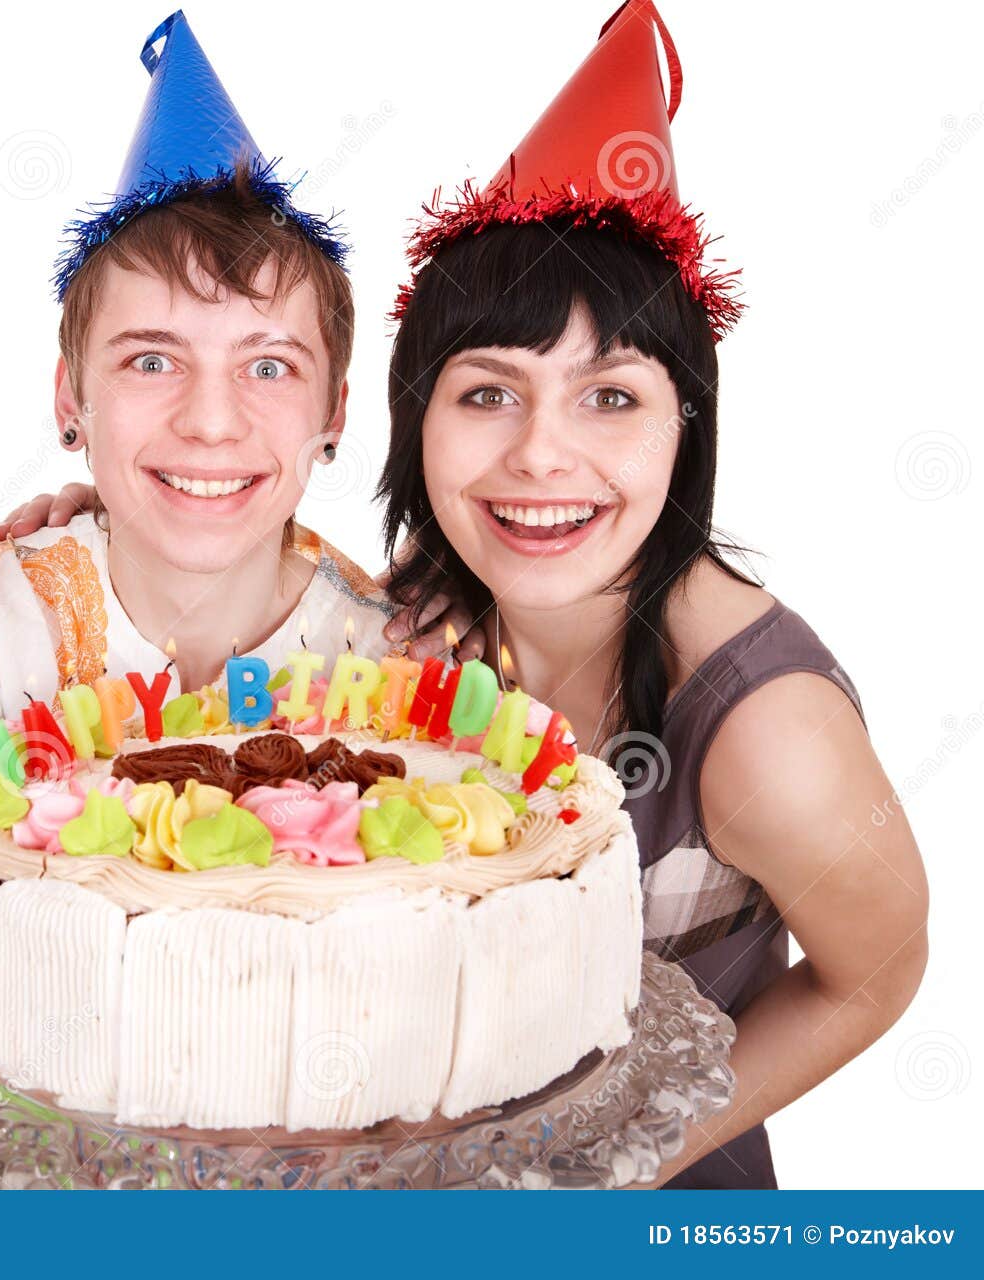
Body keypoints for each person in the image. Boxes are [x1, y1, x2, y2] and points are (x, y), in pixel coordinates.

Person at [378, 0, 926, 1187]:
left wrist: (603, 1169)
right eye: (486, 392)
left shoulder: (764, 734)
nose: (539, 456)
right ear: (413, 418)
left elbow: (876, 971)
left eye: (610, 396)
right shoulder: (426, 611)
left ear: (688, 425)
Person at [0, 10, 401, 1015]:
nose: (211, 421)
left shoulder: (391, 659)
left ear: (333, 414)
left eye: (268, 365)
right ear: (69, 401)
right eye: (149, 359)